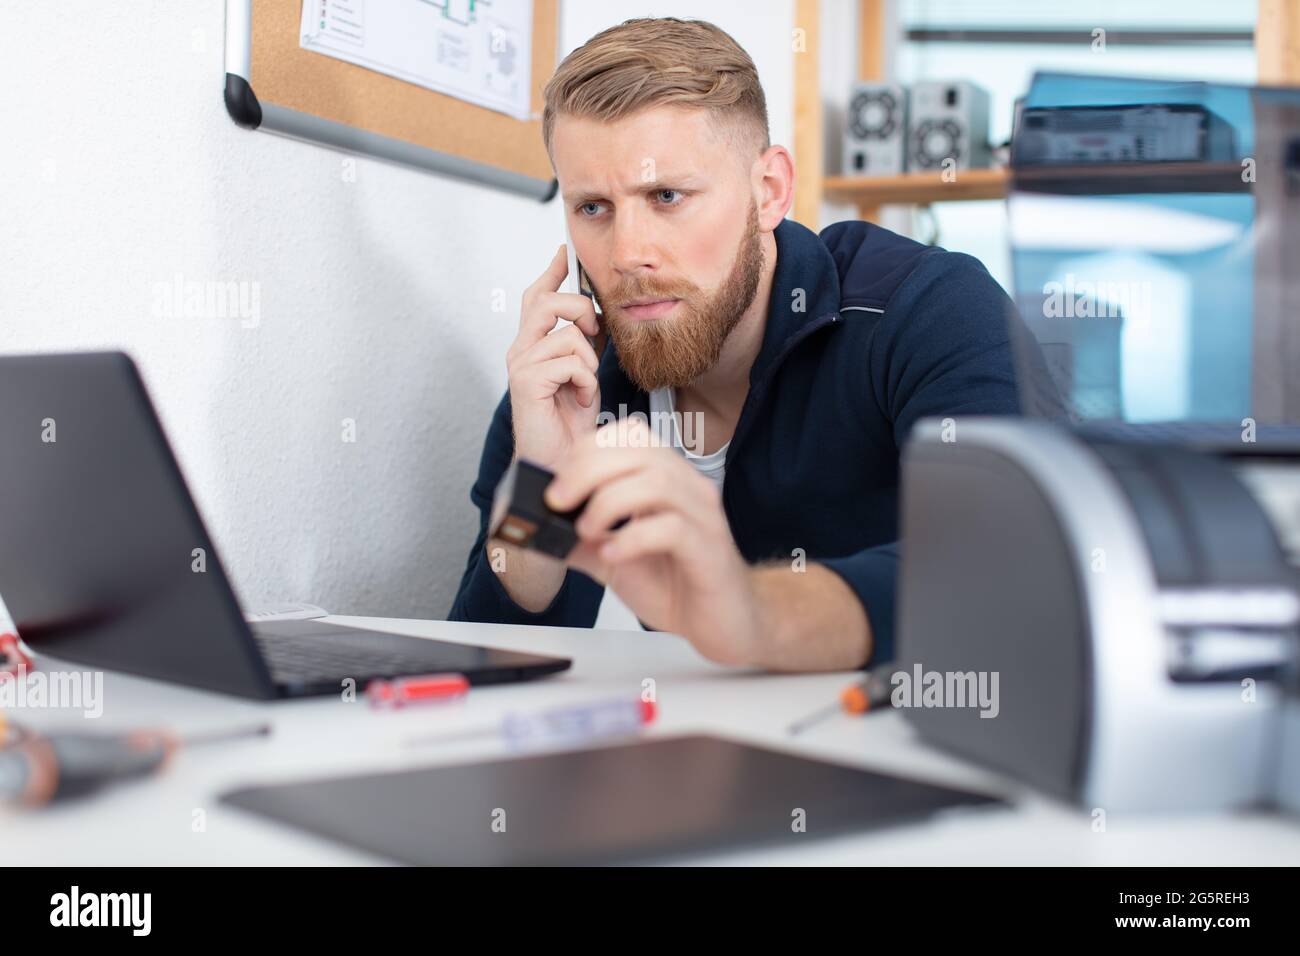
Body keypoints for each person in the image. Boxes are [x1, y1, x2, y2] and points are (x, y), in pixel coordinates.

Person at [448, 17, 1021, 670]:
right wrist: (538, 485)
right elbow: (493, 663)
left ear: (769, 190)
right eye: (593, 209)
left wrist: (750, 613)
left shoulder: (924, 309)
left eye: (667, 196)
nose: (628, 255)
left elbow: (1010, 561)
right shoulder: (570, 382)